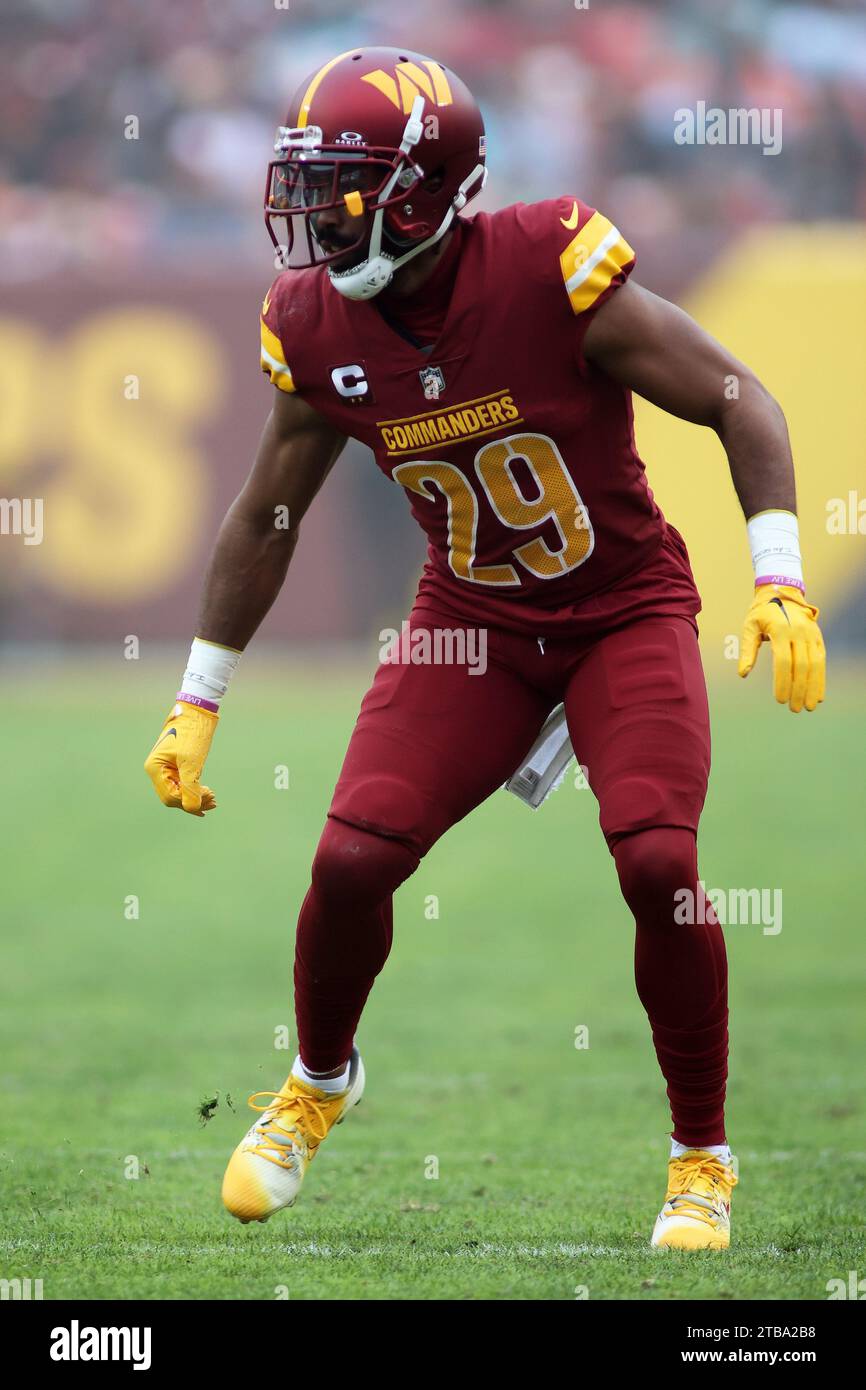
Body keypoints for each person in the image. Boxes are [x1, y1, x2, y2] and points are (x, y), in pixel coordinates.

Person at [144, 47, 825, 1250]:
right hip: (474, 625)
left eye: (339, 187)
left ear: (420, 189)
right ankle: (317, 1081)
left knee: (658, 865)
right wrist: (200, 695)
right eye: (306, 186)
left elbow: (736, 398)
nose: (311, 216)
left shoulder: (545, 263)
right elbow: (267, 512)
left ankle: (699, 1160)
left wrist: (777, 572)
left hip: (622, 609)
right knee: (351, 860)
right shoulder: (312, 322)